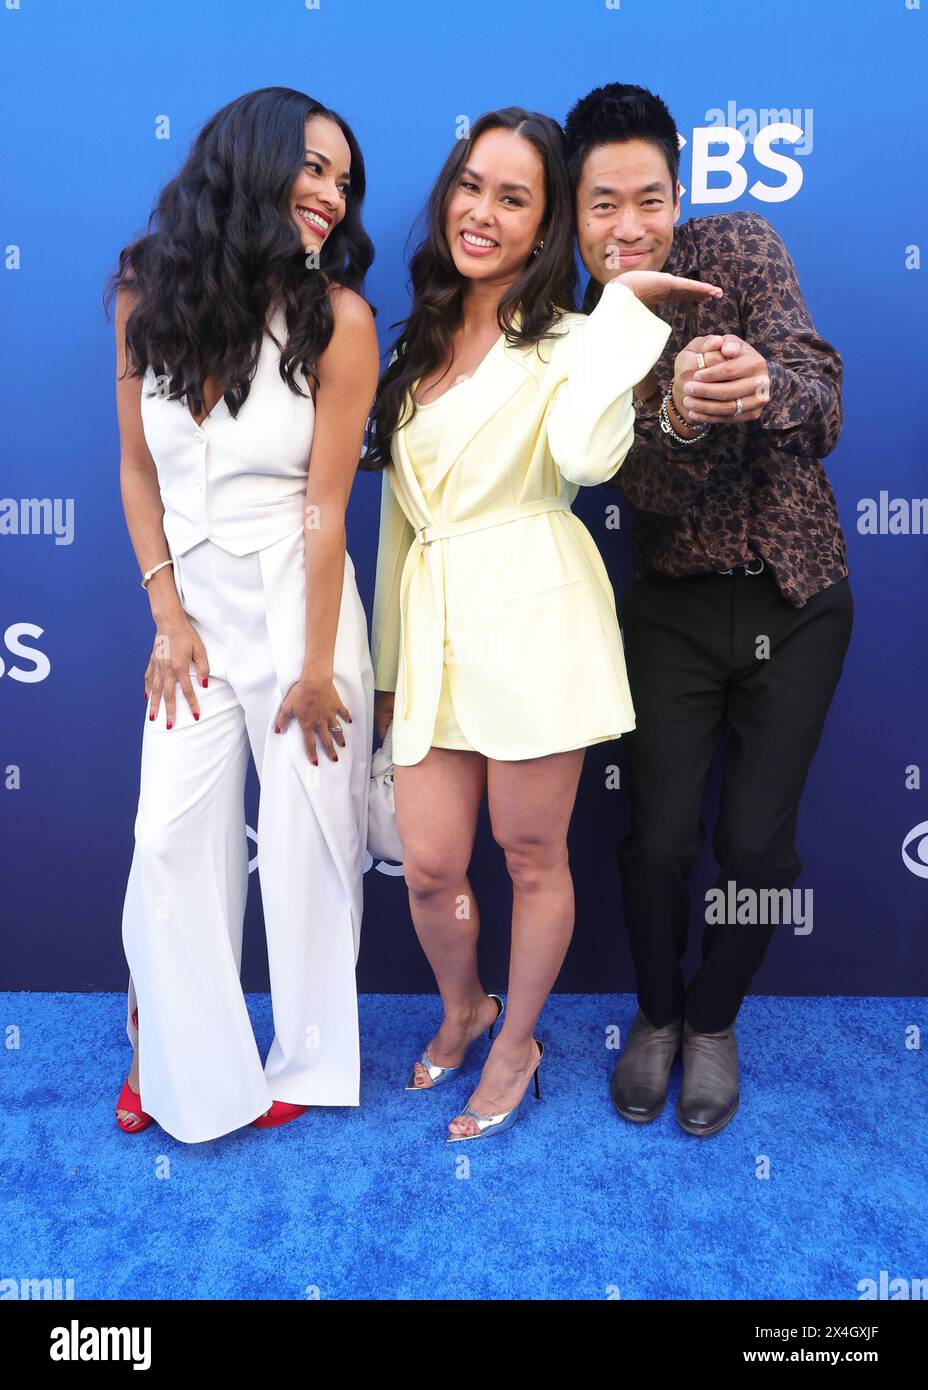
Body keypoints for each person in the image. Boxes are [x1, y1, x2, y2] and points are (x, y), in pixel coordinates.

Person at [366, 107, 718, 1142]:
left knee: (529, 855)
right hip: (430, 626)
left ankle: (515, 1039)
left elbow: (584, 457)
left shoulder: (574, 339)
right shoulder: (415, 339)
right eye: (471, 185)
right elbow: (396, 522)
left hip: (533, 611)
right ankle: (462, 1005)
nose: (482, 211)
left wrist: (619, 321)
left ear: (543, 225)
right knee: (430, 862)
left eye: (513, 198)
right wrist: (389, 665)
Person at [563, 82, 852, 1137]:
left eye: (648, 198)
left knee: (761, 853)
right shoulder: (573, 316)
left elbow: (821, 396)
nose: (629, 226)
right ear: (573, 209)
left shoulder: (743, 248)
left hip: (798, 591)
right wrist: (679, 418)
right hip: (672, 604)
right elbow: (635, 490)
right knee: (655, 841)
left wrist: (761, 382)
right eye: (602, 205)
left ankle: (716, 1022)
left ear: (676, 193)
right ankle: (654, 1013)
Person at [105, 87, 378, 1142]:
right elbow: (137, 469)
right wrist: (167, 620)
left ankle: (304, 1066)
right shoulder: (145, 296)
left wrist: (315, 667)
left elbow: (325, 506)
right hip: (195, 619)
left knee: (309, 848)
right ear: (251, 163)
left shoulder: (338, 320)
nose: (329, 195)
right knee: (167, 839)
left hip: (299, 606)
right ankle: (174, 1057)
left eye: (343, 181)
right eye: (313, 167)